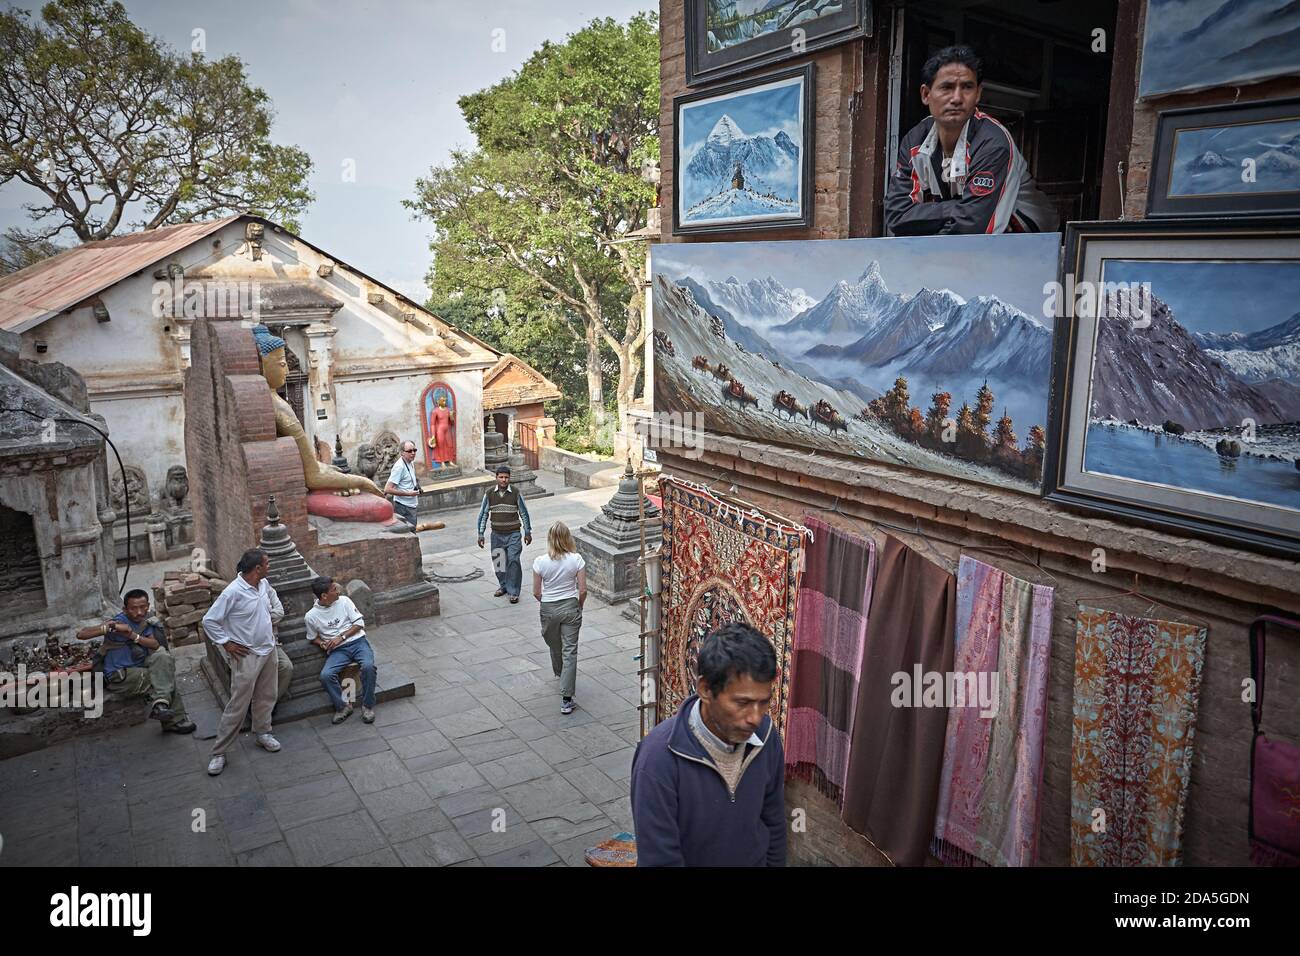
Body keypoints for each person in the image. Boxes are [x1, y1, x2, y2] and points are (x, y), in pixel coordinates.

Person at [630, 623, 786, 867]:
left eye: (763, 703)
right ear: (705, 689)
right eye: (742, 703)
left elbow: (774, 822)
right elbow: (660, 859)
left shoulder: (766, 738)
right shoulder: (658, 760)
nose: (755, 717)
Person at [884, 45, 1057, 236]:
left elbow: (972, 228)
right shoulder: (915, 140)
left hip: (1029, 236)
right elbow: (896, 215)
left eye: (967, 87)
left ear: (978, 94)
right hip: (978, 238)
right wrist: (957, 208)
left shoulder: (993, 143)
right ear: (926, 95)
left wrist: (935, 221)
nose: (957, 98)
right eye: (947, 87)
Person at [201, 548, 283, 776]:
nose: (269, 567)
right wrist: (226, 643)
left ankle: (263, 732)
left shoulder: (264, 585)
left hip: (268, 649)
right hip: (246, 655)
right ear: (257, 568)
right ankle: (219, 752)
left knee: (267, 695)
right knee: (238, 703)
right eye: (267, 564)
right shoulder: (232, 593)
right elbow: (209, 621)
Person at [74, 590, 194, 733]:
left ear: (148, 605)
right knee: (163, 676)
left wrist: (132, 635)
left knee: (163, 657)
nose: (139, 612)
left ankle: (161, 706)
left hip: (138, 667)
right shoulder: (119, 620)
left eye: (142, 607)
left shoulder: (146, 620)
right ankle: (172, 719)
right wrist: (111, 627)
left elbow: (154, 644)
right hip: (119, 675)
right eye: (133, 608)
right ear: (125, 609)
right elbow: (81, 634)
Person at [531, 522, 587, 715]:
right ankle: (566, 696)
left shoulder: (540, 562)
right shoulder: (576, 559)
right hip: (570, 606)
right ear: (567, 538)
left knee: (555, 643)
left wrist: (547, 603)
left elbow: (536, 592)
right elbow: (583, 590)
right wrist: (579, 605)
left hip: (548, 608)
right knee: (569, 651)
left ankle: (562, 683)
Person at [306, 576, 378, 724]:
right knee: (326, 675)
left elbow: (359, 623)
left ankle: (367, 706)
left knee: (368, 666)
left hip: (358, 642)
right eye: (334, 589)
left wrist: (341, 637)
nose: (338, 590)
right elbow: (312, 637)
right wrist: (322, 644)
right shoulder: (311, 616)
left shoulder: (344, 601)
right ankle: (343, 706)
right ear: (324, 596)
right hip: (338, 651)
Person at [477, 464, 532, 604]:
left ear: (509, 478)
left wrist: (527, 531)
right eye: (501, 477)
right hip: (496, 534)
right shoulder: (489, 494)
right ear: (496, 478)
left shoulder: (515, 492)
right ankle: (503, 586)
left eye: (506, 477)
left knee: (513, 560)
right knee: (499, 562)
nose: (503, 480)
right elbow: (483, 514)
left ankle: (513, 591)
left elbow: (523, 513)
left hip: (513, 533)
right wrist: (480, 533)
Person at [383, 439, 421, 529]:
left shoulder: (410, 462)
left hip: (411, 505)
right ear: (402, 453)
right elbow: (387, 489)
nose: (413, 453)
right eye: (409, 451)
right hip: (403, 507)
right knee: (409, 534)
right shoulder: (399, 467)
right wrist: (408, 493)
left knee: (412, 532)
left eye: (414, 450)